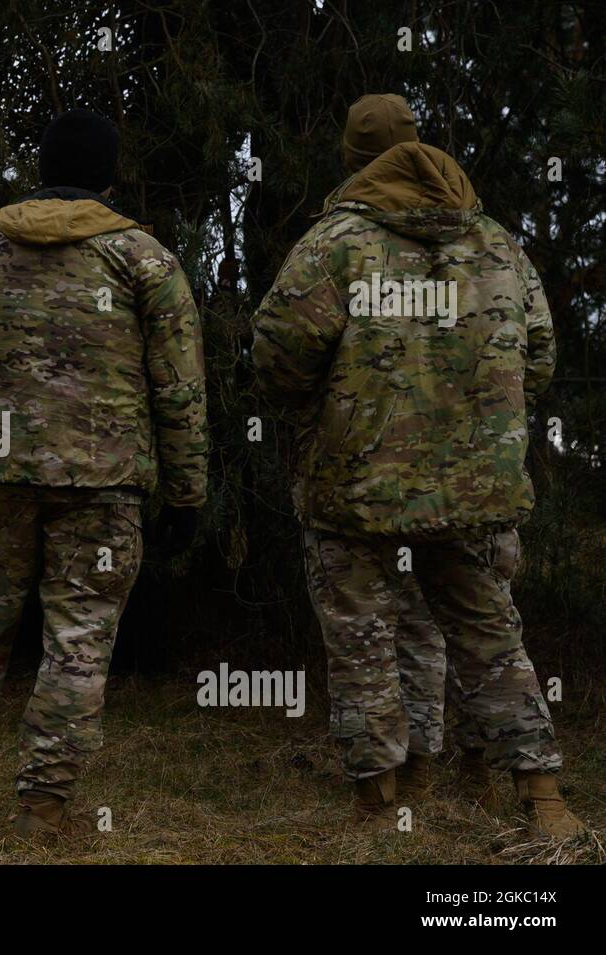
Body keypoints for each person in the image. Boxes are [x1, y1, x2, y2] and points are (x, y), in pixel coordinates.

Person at [250, 93, 584, 838]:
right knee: (490, 633)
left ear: (349, 159)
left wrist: (329, 412)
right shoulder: (497, 241)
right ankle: (546, 801)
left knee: (362, 635)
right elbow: (539, 354)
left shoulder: (333, 242)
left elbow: (278, 355)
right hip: (475, 486)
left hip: (356, 484)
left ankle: (378, 804)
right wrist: (482, 428)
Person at [0, 108, 208, 839]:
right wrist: (187, 493)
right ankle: (42, 806)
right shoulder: (144, 260)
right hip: (101, 483)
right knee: (80, 639)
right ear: (108, 175)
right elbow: (180, 387)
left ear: (41, 169)